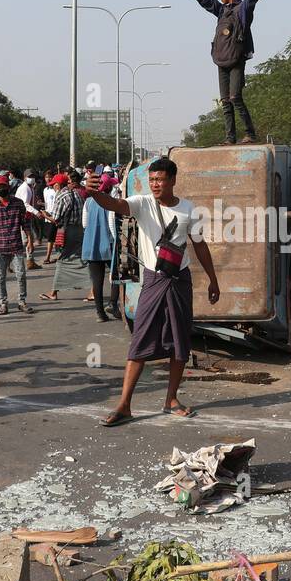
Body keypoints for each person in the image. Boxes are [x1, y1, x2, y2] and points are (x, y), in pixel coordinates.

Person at [85, 157, 220, 426]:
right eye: (152, 180)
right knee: (140, 341)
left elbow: (200, 245)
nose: (155, 184)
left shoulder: (188, 209)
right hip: (154, 280)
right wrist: (94, 193)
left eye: (160, 179)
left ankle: (171, 400)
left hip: (180, 280)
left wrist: (213, 280)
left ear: (172, 180)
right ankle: (124, 404)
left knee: (180, 341)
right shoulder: (143, 203)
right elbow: (116, 204)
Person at [177, 0, 278, 145]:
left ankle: (249, 134)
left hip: (236, 60)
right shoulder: (221, 10)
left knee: (235, 97)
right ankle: (230, 138)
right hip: (221, 60)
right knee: (225, 101)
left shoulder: (243, 9)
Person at [0, 174, 34, 315]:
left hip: (16, 245)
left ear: (8, 187)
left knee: (21, 274)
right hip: (0, 246)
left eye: (4, 186)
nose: (1, 189)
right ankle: (3, 303)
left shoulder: (18, 203)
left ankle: (22, 301)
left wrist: (30, 241)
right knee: (0, 277)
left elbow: (26, 224)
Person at [39, 171, 89, 302]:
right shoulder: (76, 193)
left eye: (53, 185)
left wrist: (44, 215)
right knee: (80, 260)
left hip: (69, 231)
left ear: (57, 185)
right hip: (79, 230)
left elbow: (55, 218)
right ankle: (93, 290)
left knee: (63, 260)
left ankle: (53, 292)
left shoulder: (62, 195)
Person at [83, 170, 120, 322]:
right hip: (108, 245)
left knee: (97, 281)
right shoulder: (111, 202)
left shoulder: (88, 202)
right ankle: (112, 303)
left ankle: (100, 313)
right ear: (109, 188)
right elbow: (112, 226)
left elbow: (84, 223)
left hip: (91, 244)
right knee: (116, 276)